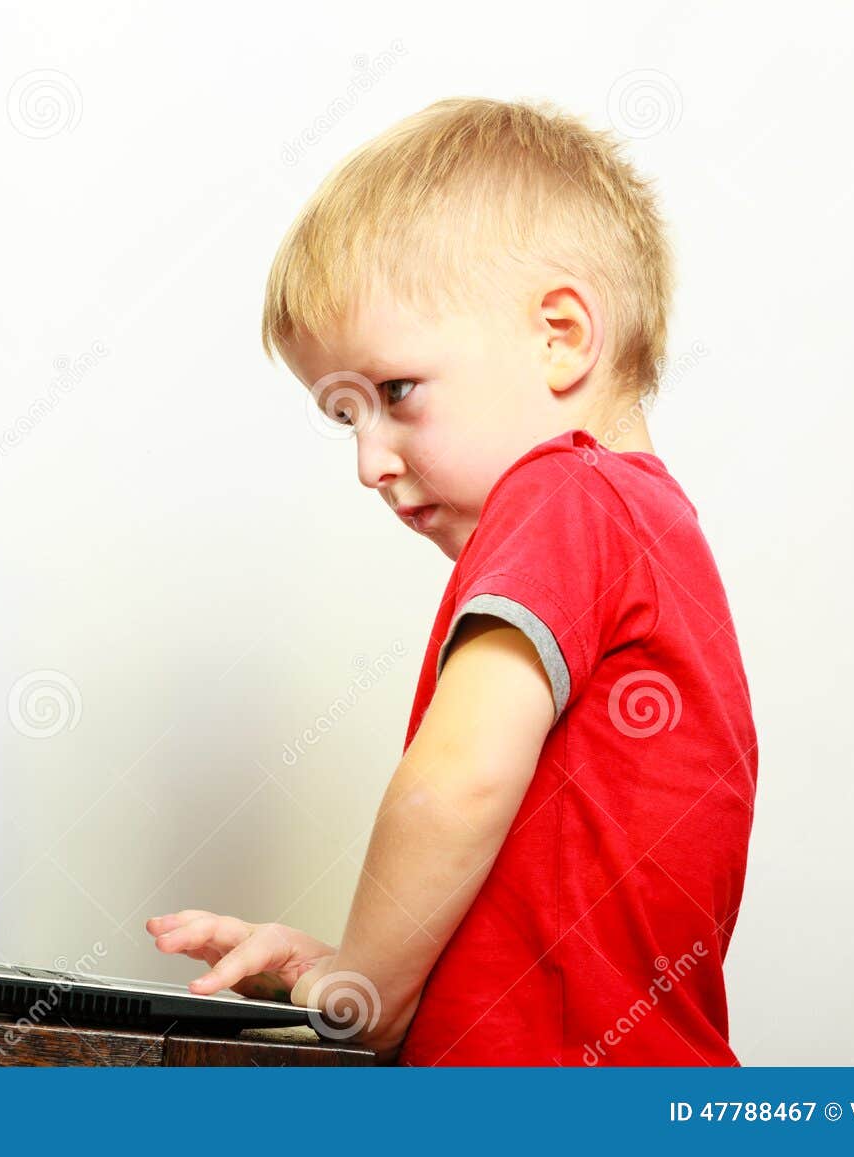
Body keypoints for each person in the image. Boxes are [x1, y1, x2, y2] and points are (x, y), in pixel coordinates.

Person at [146, 97, 757, 1066]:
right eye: (344, 416)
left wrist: (369, 991)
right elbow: (537, 929)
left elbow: (457, 781)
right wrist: (344, 961)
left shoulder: (566, 492)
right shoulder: (637, 525)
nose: (368, 461)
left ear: (559, 335)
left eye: (393, 393)